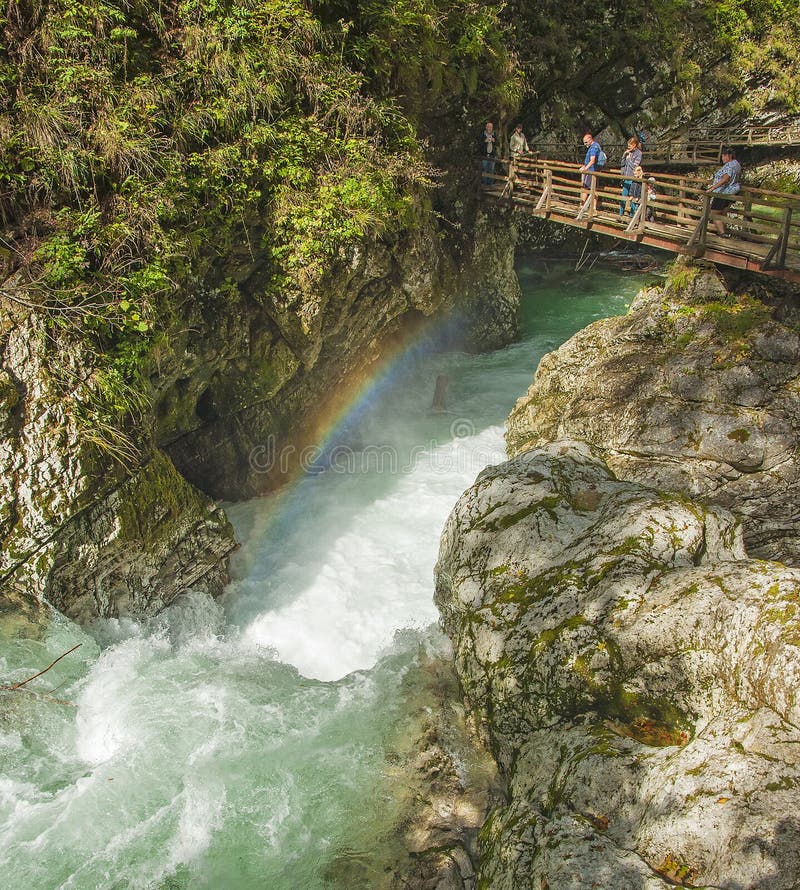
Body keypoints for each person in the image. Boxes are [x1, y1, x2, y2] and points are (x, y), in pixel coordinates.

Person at [706, 147, 741, 236]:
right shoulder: (736, 164)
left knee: (714, 213)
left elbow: (725, 179)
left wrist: (712, 188)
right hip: (733, 191)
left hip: (723, 192)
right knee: (723, 213)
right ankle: (723, 232)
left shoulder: (729, 165)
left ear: (729, 156)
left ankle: (722, 233)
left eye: (723, 156)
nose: (722, 158)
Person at [619, 135, 642, 216]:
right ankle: (620, 215)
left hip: (633, 179)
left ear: (634, 145)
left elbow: (635, 166)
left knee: (633, 198)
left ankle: (632, 216)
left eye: (630, 146)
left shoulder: (639, 154)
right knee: (623, 197)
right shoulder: (628, 153)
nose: (628, 147)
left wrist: (629, 159)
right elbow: (622, 164)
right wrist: (624, 156)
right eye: (628, 146)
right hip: (625, 178)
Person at [579, 132, 601, 209]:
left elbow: (592, 160)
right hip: (595, 170)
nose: (585, 144)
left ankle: (582, 205)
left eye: (586, 142)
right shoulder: (596, 146)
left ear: (590, 139)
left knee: (585, 188)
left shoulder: (593, 148)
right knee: (594, 188)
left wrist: (585, 168)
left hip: (591, 171)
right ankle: (593, 207)